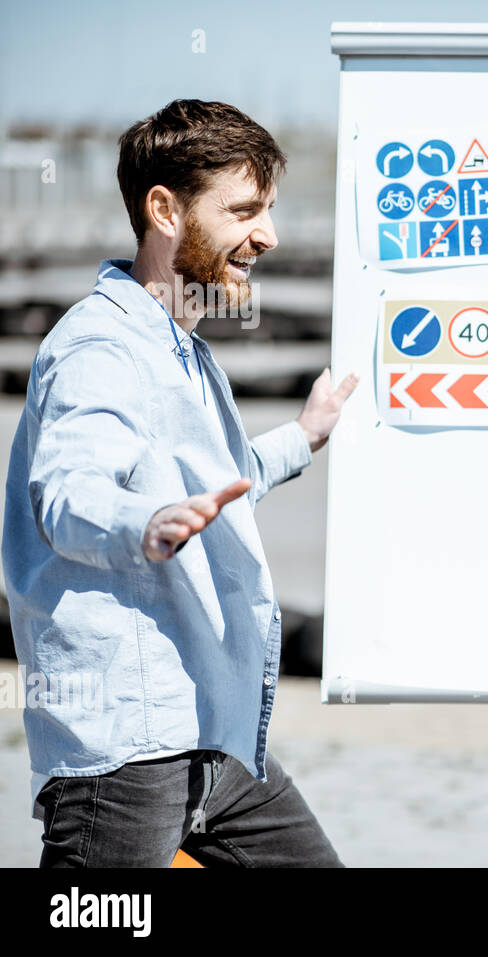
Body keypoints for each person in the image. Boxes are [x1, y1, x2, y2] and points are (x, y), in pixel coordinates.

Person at [2, 99, 359, 867]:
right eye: (244, 210)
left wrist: (302, 436)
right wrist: (142, 522)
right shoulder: (100, 347)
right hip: (125, 752)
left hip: (207, 735)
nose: (268, 235)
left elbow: (212, 490)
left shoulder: (182, 350)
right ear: (164, 209)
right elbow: (68, 492)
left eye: (268, 210)